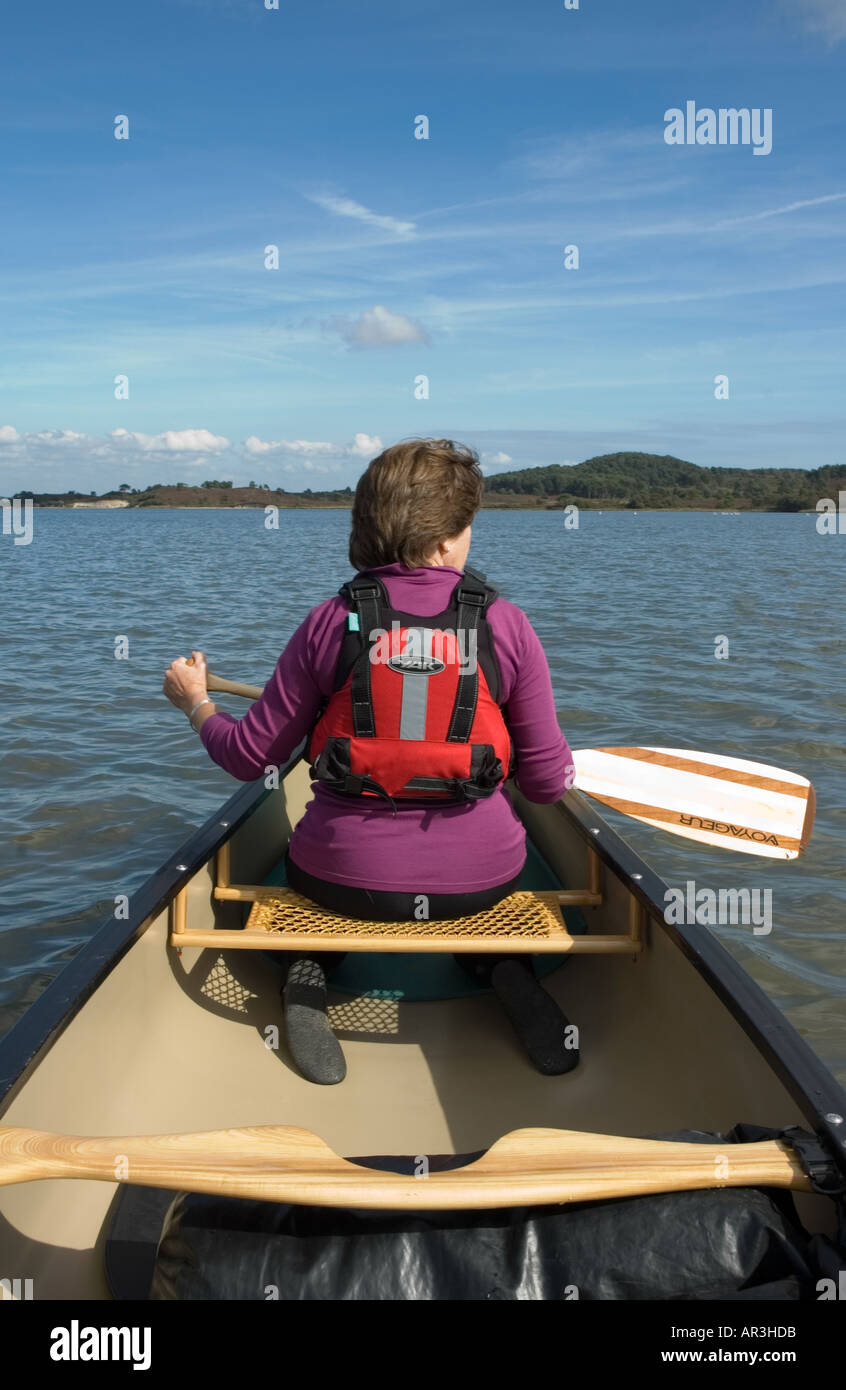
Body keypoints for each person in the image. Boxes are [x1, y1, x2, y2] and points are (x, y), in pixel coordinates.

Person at [164, 439, 576, 1085]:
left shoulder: (328, 624)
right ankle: (499, 965)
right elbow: (548, 786)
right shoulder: (510, 626)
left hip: (339, 877)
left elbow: (249, 758)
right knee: (496, 878)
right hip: (482, 883)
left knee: (318, 888)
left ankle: (313, 967)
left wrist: (196, 703)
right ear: (443, 541)